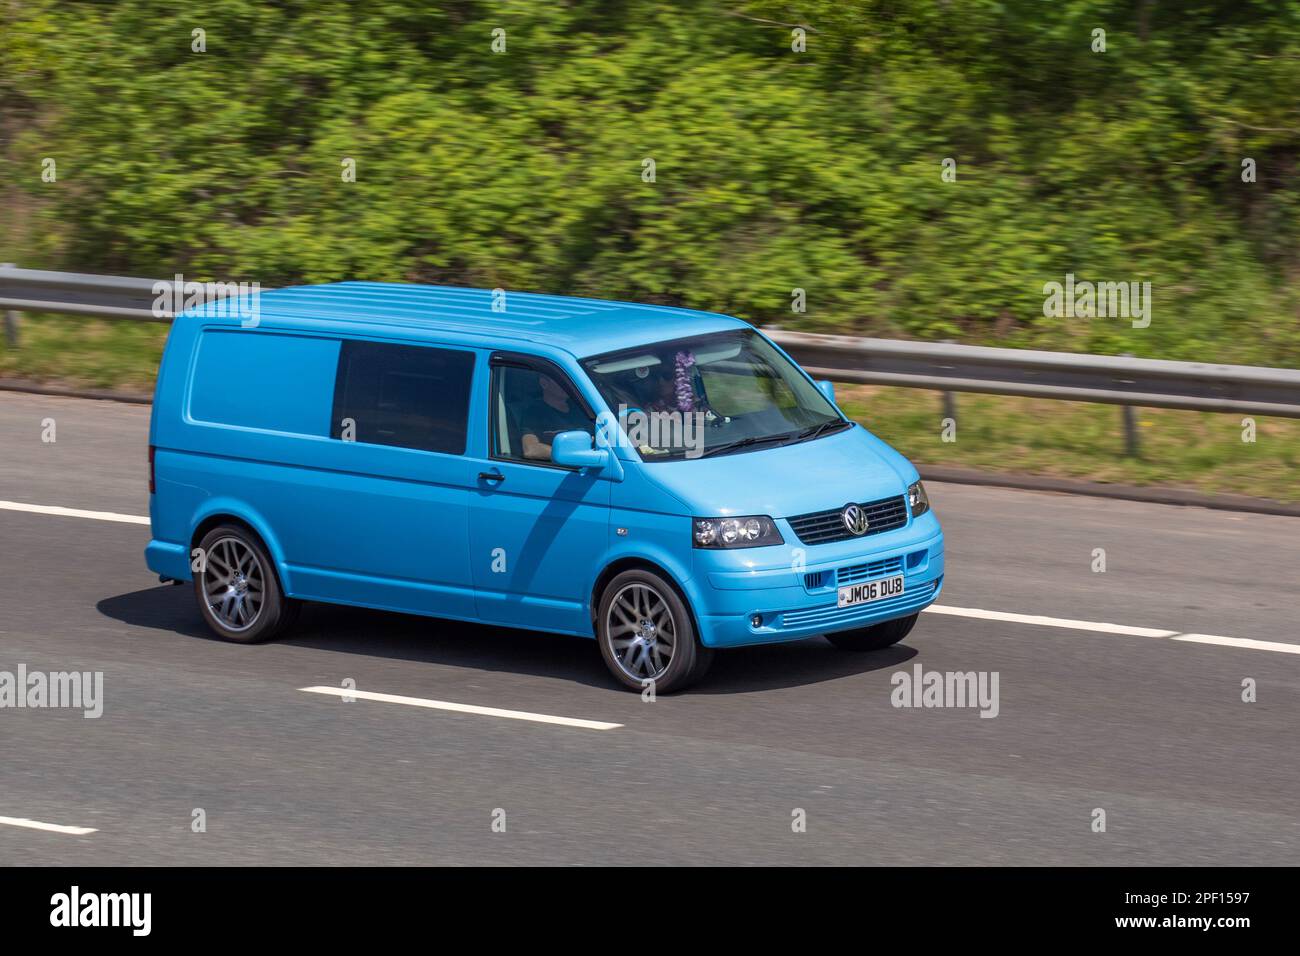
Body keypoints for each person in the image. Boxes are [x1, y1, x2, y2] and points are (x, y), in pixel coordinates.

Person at [518, 372, 592, 461]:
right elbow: (531, 449)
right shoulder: (534, 413)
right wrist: (571, 456)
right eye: (561, 381)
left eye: (569, 381)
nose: (567, 385)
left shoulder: (581, 407)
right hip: (562, 470)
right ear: (544, 383)